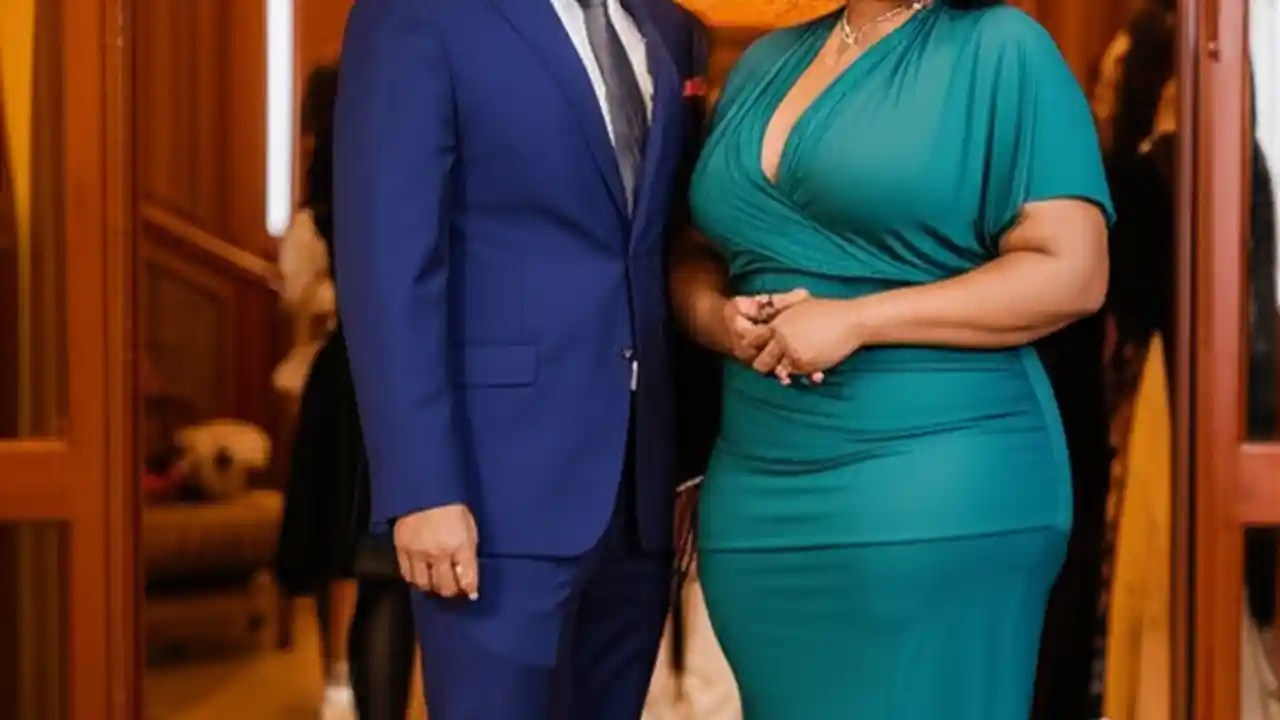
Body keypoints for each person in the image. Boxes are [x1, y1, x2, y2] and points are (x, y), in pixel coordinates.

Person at [671, 0, 1112, 717]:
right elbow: (696, 248)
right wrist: (716, 320)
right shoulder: (763, 62)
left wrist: (861, 320)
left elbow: (1073, 271)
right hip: (757, 497)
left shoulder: (1002, 50)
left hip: (938, 482)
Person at [332, 1, 708, 718]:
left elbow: (664, 251)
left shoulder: (667, 26)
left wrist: (684, 460)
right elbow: (388, 266)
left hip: (640, 492)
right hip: (491, 487)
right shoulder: (417, 16)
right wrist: (420, 486)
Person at [276, 63, 417, 720]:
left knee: (369, 568)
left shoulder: (328, 173)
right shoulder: (406, 158)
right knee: (389, 573)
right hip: (395, 369)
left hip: (346, 370)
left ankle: (349, 691)